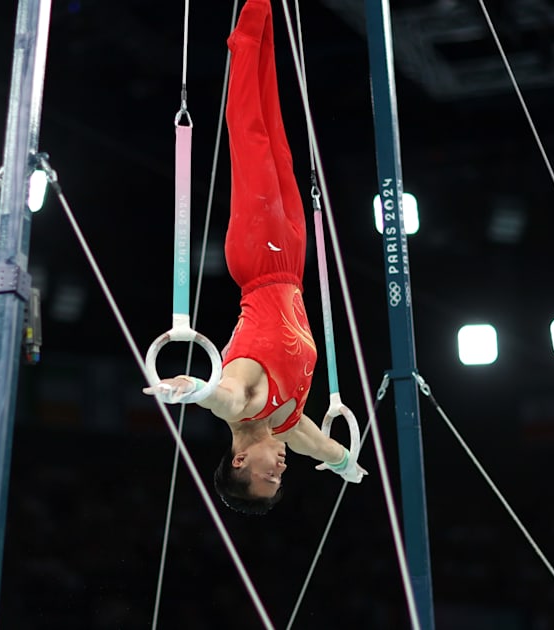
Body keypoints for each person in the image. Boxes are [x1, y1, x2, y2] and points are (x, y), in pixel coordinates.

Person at [144, 0, 365, 515]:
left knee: (251, 136)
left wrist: (188, 389)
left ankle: (245, 38)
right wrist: (346, 467)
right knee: (278, 140)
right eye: (281, 480)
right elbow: (324, 448)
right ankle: (263, 29)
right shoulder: (288, 422)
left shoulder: (242, 403)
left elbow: (217, 395)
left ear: (239, 461)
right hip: (292, 263)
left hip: (258, 261)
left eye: (268, 475)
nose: (281, 470)